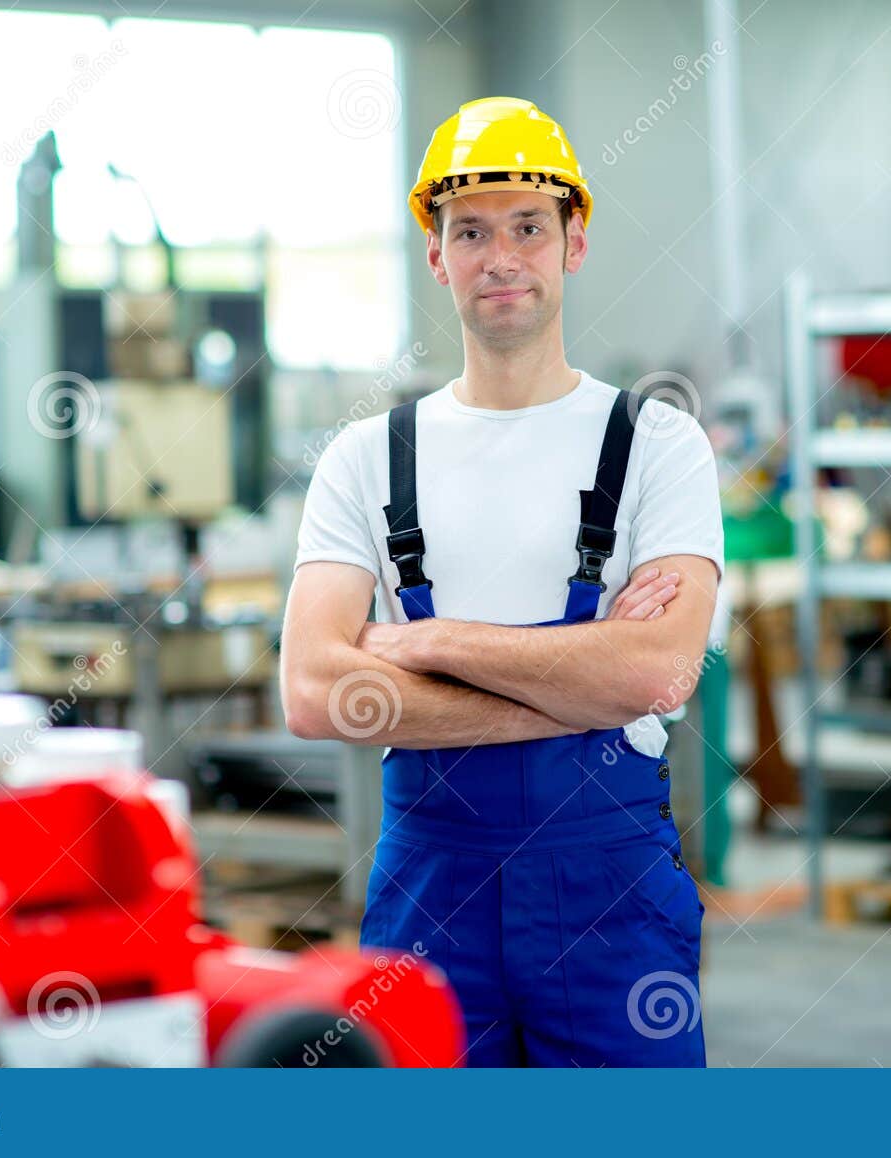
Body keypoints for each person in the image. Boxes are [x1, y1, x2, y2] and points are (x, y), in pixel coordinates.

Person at [281, 96, 724, 1066]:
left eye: (529, 225)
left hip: (609, 896)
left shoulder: (658, 445)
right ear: (436, 255)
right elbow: (319, 693)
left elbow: (657, 676)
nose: (501, 256)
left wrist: (426, 642)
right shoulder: (365, 457)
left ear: (576, 239)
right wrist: (581, 680)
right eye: (469, 231)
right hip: (430, 896)